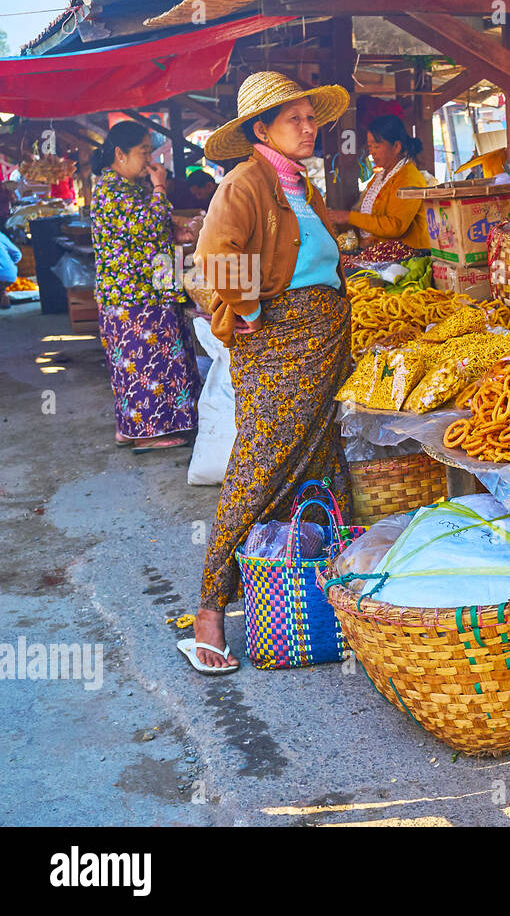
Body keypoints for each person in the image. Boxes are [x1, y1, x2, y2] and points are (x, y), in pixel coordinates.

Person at [181, 71, 353, 674]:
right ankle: (210, 608)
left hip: (325, 342)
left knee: (320, 461)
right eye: (294, 121)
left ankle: (322, 601)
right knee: (261, 467)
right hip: (283, 347)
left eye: (312, 119)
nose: (308, 129)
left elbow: (317, 256)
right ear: (261, 130)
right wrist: (250, 310)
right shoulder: (245, 182)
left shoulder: (299, 182)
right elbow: (213, 259)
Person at [88, 121, 201, 453]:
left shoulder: (125, 187)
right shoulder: (112, 189)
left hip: (140, 291)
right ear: (120, 154)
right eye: (143, 152)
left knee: (133, 364)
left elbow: (150, 228)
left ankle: (130, 427)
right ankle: (149, 432)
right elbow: (148, 227)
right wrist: (160, 187)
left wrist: (179, 231)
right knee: (145, 363)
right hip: (134, 296)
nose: (150, 160)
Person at [327, 114, 429, 274]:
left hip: (408, 261)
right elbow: (376, 219)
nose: (372, 152)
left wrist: (349, 217)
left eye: (377, 146)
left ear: (396, 146)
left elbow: (395, 226)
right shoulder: (381, 176)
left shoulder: (408, 178)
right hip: (384, 255)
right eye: (370, 147)